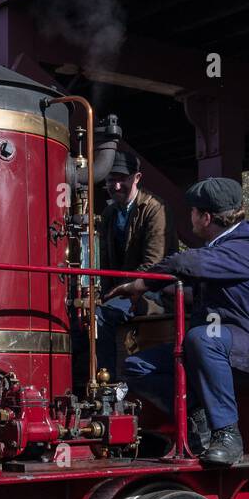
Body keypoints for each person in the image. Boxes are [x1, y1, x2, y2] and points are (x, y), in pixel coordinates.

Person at [104, 177, 249, 466]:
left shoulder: (248, 245)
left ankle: (228, 436)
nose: (189, 218)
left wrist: (145, 282)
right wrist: (170, 291)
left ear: (205, 217)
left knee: (203, 338)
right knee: (136, 367)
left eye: (192, 212)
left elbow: (187, 263)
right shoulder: (225, 251)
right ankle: (199, 417)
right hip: (228, 342)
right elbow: (216, 296)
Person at [92, 148, 169, 377]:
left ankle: (107, 385)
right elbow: (104, 263)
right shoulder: (108, 213)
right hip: (119, 292)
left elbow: (154, 264)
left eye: (122, 179)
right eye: (110, 180)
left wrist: (116, 292)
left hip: (151, 290)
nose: (116, 186)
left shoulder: (155, 209)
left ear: (137, 178)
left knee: (100, 316)